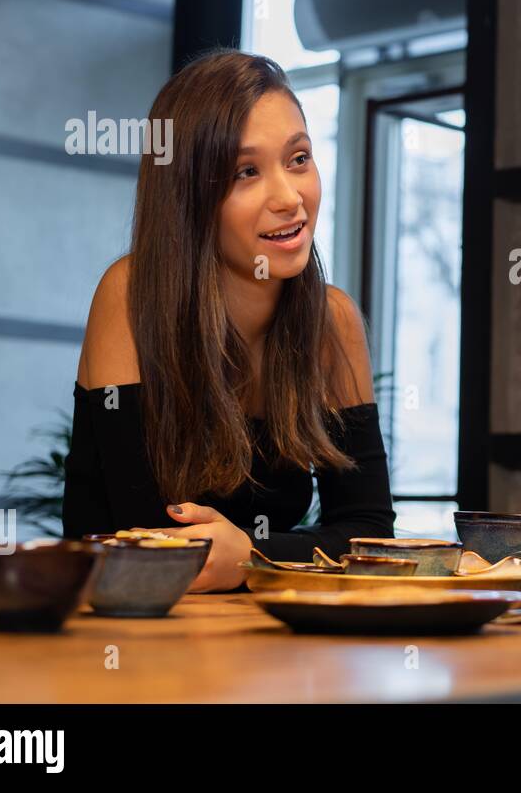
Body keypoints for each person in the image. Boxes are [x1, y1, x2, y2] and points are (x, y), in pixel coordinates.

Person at [63, 50, 395, 592]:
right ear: (189, 196)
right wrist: (268, 559)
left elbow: (369, 534)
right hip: (124, 635)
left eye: (298, 159)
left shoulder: (332, 320)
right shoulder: (129, 296)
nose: (290, 198)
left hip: (263, 636)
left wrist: (252, 554)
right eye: (246, 172)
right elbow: (151, 540)